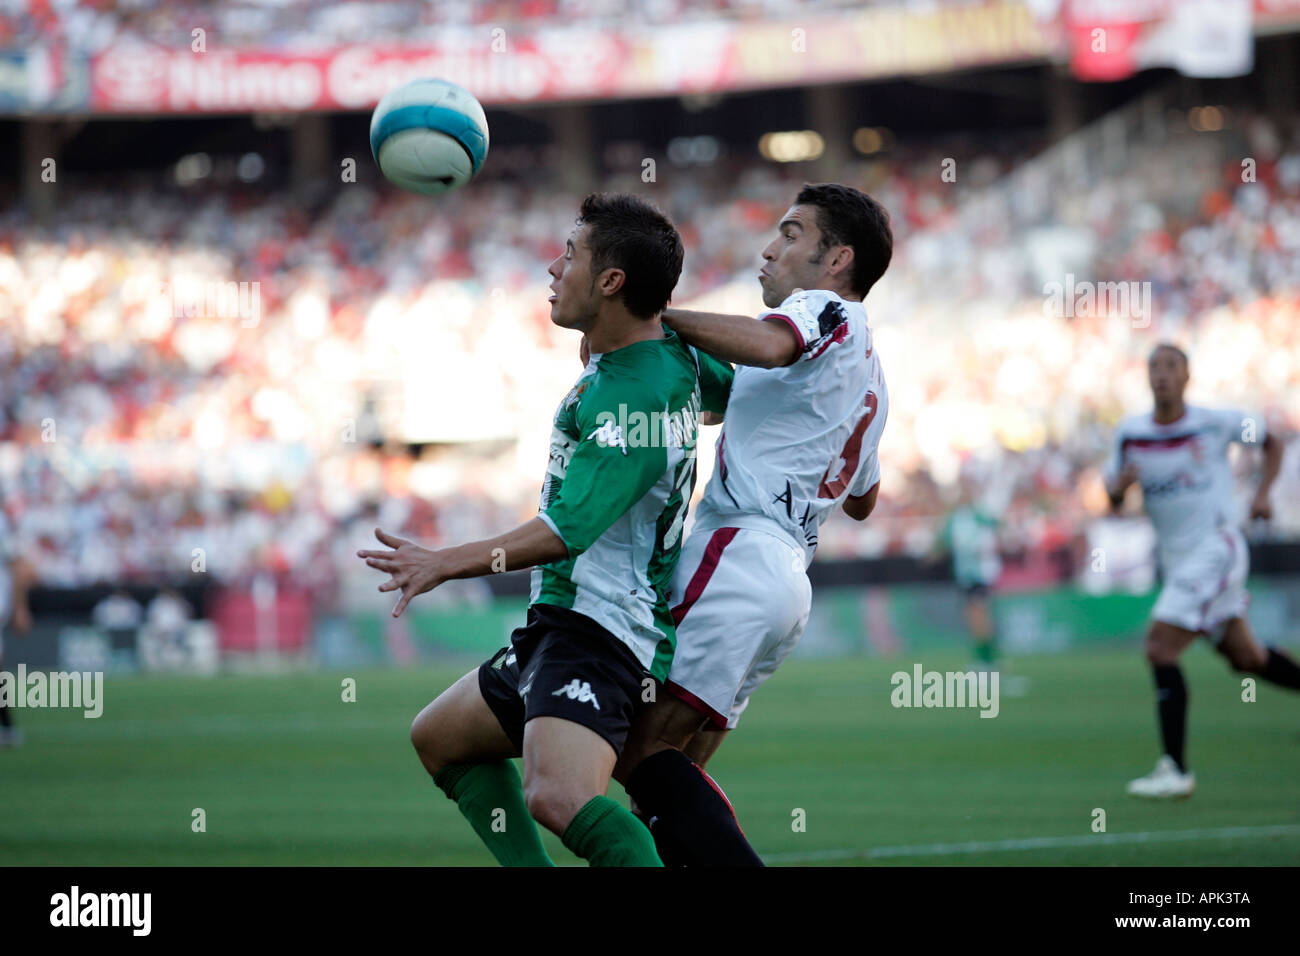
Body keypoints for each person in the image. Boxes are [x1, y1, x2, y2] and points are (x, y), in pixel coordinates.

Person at [358, 193, 732, 865]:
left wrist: (446, 561)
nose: (553, 269)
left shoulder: (631, 396)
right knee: (440, 737)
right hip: (569, 619)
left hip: (599, 628)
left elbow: (567, 532)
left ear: (612, 282)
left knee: (558, 797)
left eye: (570, 255)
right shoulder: (666, 358)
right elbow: (724, 394)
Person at [611, 183, 893, 865]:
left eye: (792, 234)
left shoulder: (826, 311)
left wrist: (654, 313)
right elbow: (862, 499)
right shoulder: (872, 379)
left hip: (737, 553)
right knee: (670, 780)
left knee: (638, 754)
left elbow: (771, 349)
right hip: (785, 580)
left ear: (837, 260)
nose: (770, 248)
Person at [1107, 343, 1299, 799]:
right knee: (1246, 658)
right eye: (1154, 366)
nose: (1161, 375)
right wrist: (1121, 488)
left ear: (1187, 376)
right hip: (1178, 563)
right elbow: (1112, 498)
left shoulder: (1216, 422)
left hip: (1217, 548)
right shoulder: (1129, 433)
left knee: (1159, 647)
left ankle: (1175, 769)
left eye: (1171, 367)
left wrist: (1262, 493)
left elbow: (1271, 440)